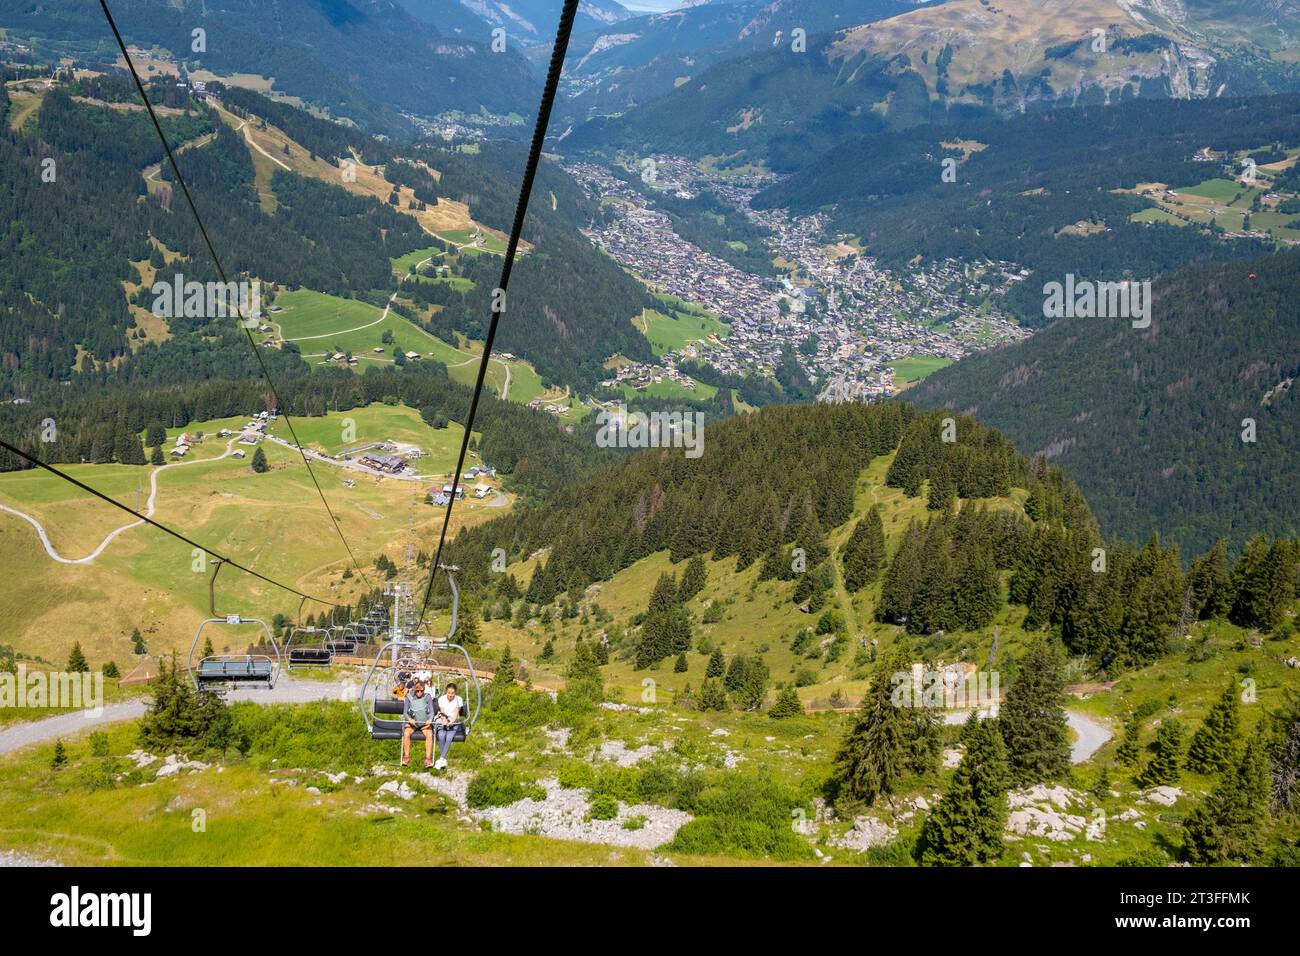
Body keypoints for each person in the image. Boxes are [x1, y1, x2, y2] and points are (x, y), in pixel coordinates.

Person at [401, 679, 435, 768]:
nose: (419, 692)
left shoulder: (427, 697)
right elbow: (405, 712)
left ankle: (428, 759)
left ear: (424, 690)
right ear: (414, 690)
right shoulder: (409, 697)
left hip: (424, 723)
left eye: (421, 691)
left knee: (429, 734)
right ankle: (406, 757)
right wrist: (409, 719)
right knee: (406, 733)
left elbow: (431, 711)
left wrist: (430, 719)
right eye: (417, 690)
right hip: (413, 723)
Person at [432, 681, 465, 770]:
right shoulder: (442, 699)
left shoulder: (459, 700)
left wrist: (451, 722)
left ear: (455, 693)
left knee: (449, 737)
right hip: (444, 719)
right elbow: (442, 712)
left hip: (454, 721)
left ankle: (441, 759)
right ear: (446, 692)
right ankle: (443, 760)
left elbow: (456, 713)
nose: (450, 695)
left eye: (452, 693)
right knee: (441, 735)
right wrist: (444, 721)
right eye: (449, 693)